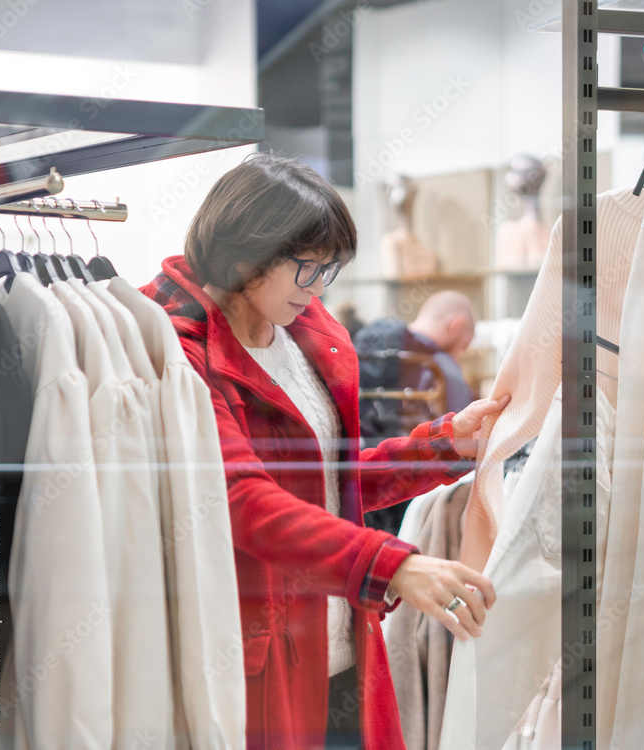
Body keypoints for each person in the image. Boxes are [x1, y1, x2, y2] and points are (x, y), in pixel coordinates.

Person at [142, 154, 506, 750]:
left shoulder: (300, 332)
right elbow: (240, 498)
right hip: (262, 661)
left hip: (341, 646)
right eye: (306, 268)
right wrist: (392, 564)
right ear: (243, 253)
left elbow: (329, 485)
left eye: (327, 270)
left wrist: (442, 446)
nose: (315, 289)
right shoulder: (180, 349)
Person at [355, 292, 477, 534]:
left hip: (359, 484)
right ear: (457, 325)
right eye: (462, 347)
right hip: (416, 488)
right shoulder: (441, 367)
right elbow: (464, 436)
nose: (459, 355)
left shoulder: (358, 347)